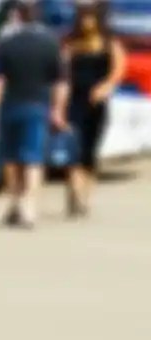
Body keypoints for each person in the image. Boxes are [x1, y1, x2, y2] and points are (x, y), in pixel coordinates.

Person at [0, 0, 66, 228]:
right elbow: (59, 81)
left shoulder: (6, 43)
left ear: (17, 14)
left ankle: (15, 203)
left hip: (11, 105)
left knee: (13, 160)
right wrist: (58, 111)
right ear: (37, 13)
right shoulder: (50, 43)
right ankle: (28, 207)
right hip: (37, 106)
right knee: (33, 159)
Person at [63, 1, 125, 217]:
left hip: (97, 103)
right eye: (82, 15)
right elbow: (63, 73)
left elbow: (118, 69)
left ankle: (86, 195)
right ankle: (76, 193)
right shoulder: (70, 42)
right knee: (73, 150)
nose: (86, 20)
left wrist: (106, 86)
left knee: (90, 151)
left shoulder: (109, 42)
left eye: (89, 15)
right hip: (73, 101)